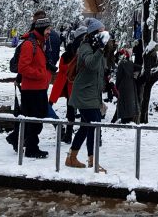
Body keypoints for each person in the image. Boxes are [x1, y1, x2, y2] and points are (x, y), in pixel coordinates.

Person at [6, 11, 53, 159]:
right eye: (47, 30)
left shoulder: (39, 44)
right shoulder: (29, 44)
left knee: (35, 119)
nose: (49, 32)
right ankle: (31, 148)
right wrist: (41, 74)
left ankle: (17, 139)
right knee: (34, 121)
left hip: (38, 88)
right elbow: (23, 67)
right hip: (32, 89)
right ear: (40, 29)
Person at [66, 20, 109, 171]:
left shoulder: (96, 47)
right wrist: (101, 50)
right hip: (84, 94)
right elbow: (90, 63)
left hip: (92, 94)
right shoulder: (85, 47)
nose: (104, 34)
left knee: (86, 127)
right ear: (94, 33)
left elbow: (99, 71)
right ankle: (93, 161)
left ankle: (71, 157)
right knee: (94, 126)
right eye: (101, 31)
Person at [49, 26, 86, 144]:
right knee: (80, 110)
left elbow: (63, 68)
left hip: (69, 84)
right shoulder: (81, 50)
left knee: (71, 110)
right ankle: (71, 134)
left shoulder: (68, 53)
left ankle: (68, 134)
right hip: (75, 85)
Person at [114, 49, 140, 124]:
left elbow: (118, 77)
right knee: (130, 104)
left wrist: (116, 88)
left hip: (122, 87)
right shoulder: (131, 63)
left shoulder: (121, 64)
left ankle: (124, 121)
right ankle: (129, 120)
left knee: (123, 104)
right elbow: (140, 68)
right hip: (131, 86)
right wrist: (135, 75)